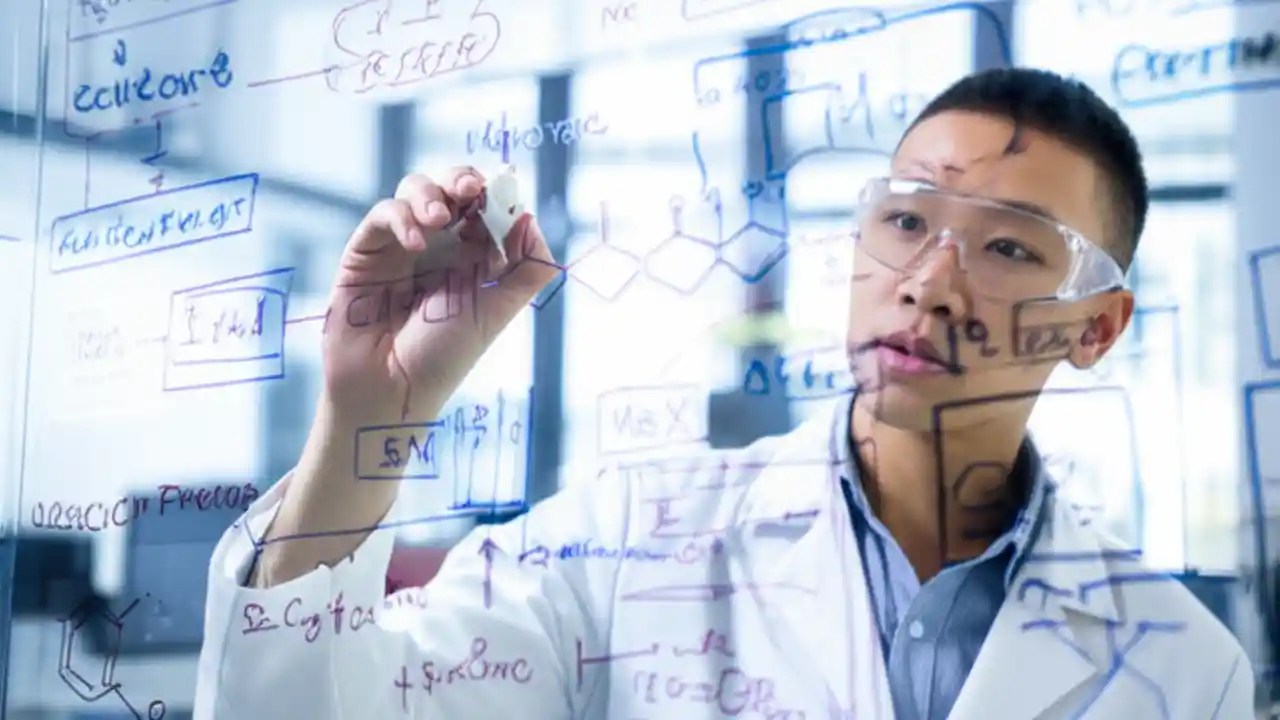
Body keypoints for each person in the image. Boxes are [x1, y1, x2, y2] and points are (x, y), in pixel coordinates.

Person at [193, 67, 1255, 719]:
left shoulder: (1181, 663)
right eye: (902, 222)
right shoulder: (619, 544)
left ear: (1094, 327)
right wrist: (368, 428)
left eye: (1011, 247)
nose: (929, 283)